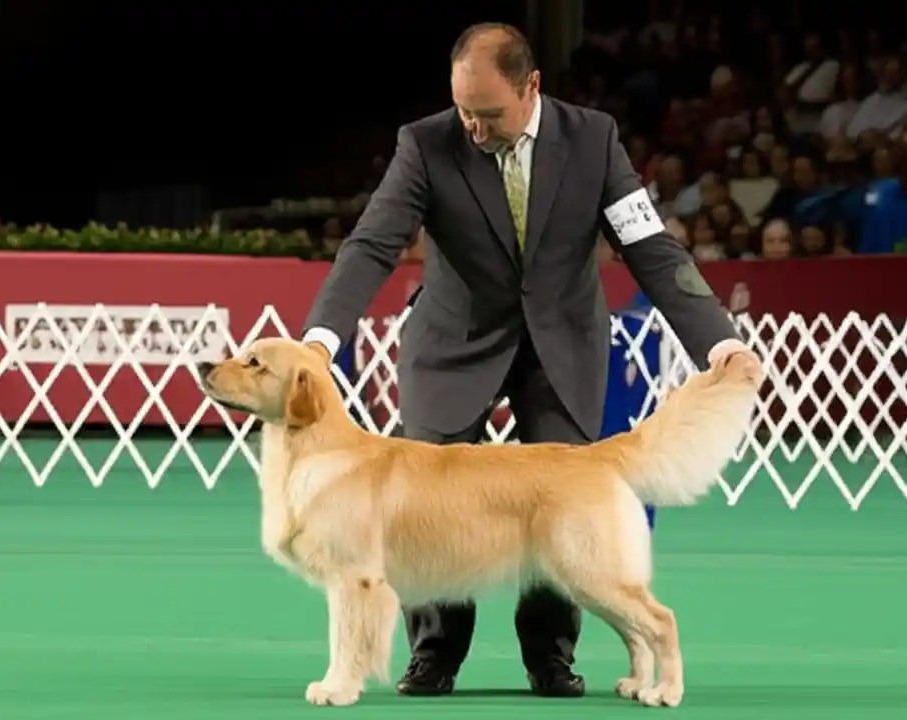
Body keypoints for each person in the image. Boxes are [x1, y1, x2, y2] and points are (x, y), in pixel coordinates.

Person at [299, 22, 753, 698]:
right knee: (428, 504)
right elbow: (371, 244)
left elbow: (650, 245)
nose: (473, 129)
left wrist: (715, 336)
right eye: (463, 111)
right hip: (453, 342)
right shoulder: (424, 144)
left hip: (562, 342)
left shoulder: (593, 139)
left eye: (488, 114)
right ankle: (434, 653)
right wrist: (321, 339)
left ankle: (551, 657)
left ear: (532, 86)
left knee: (563, 504)